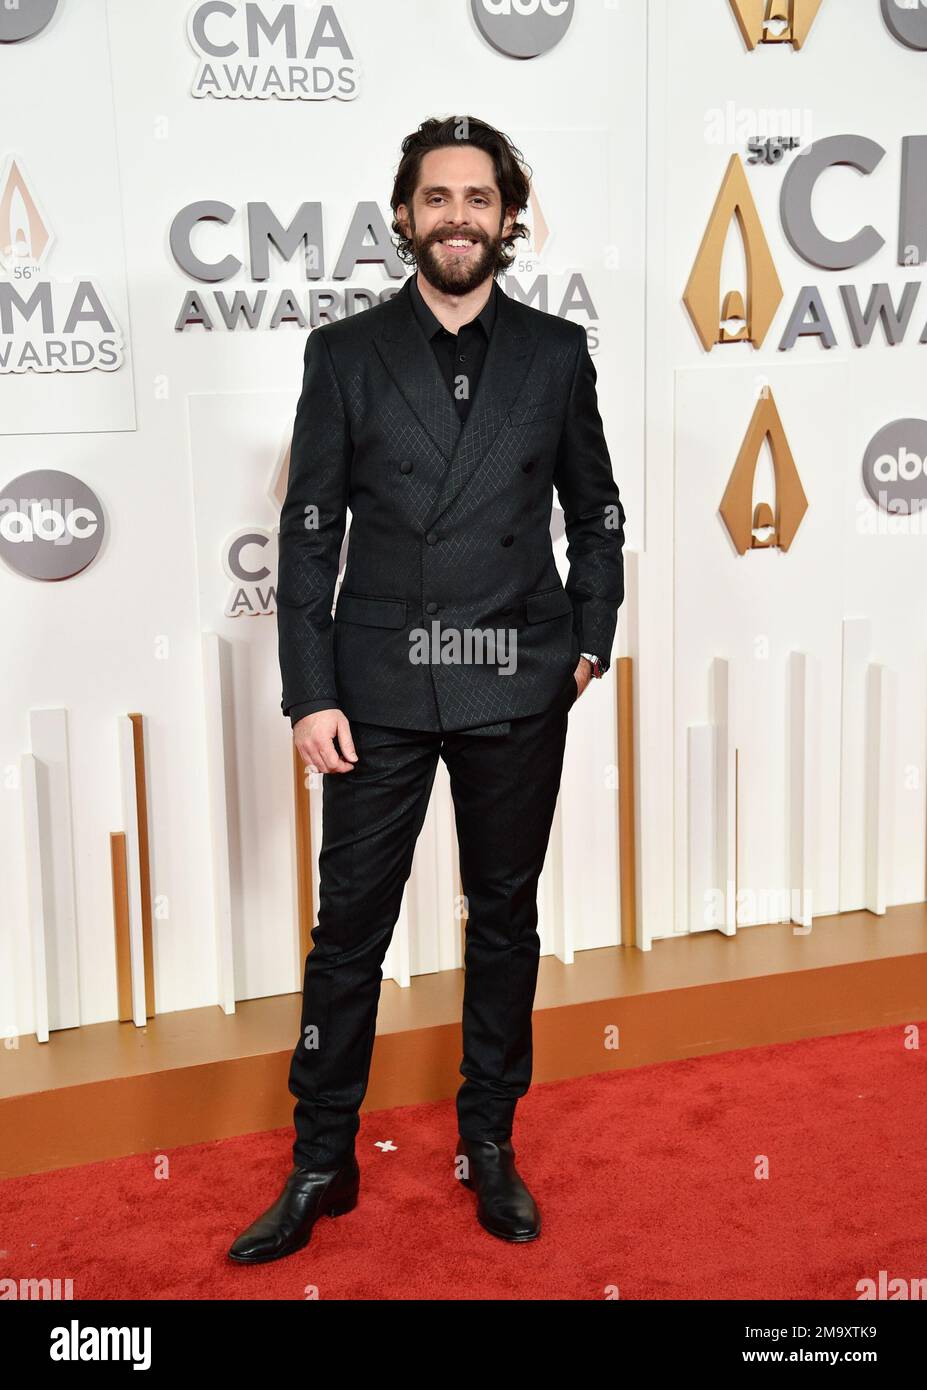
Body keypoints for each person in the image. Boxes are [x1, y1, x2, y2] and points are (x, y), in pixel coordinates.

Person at [228, 115, 626, 1264]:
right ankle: (321, 1160)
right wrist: (310, 691)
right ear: (403, 216)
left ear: (510, 218)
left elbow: (595, 509)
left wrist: (588, 642)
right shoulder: (344, 355)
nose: (458, 217)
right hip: (381, 684)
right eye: (436, 198)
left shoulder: (557, 353)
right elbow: (308, 535)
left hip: (515, 672)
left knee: (504, 919)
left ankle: (489, 1145)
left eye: (479, 198)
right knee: (347, 932)